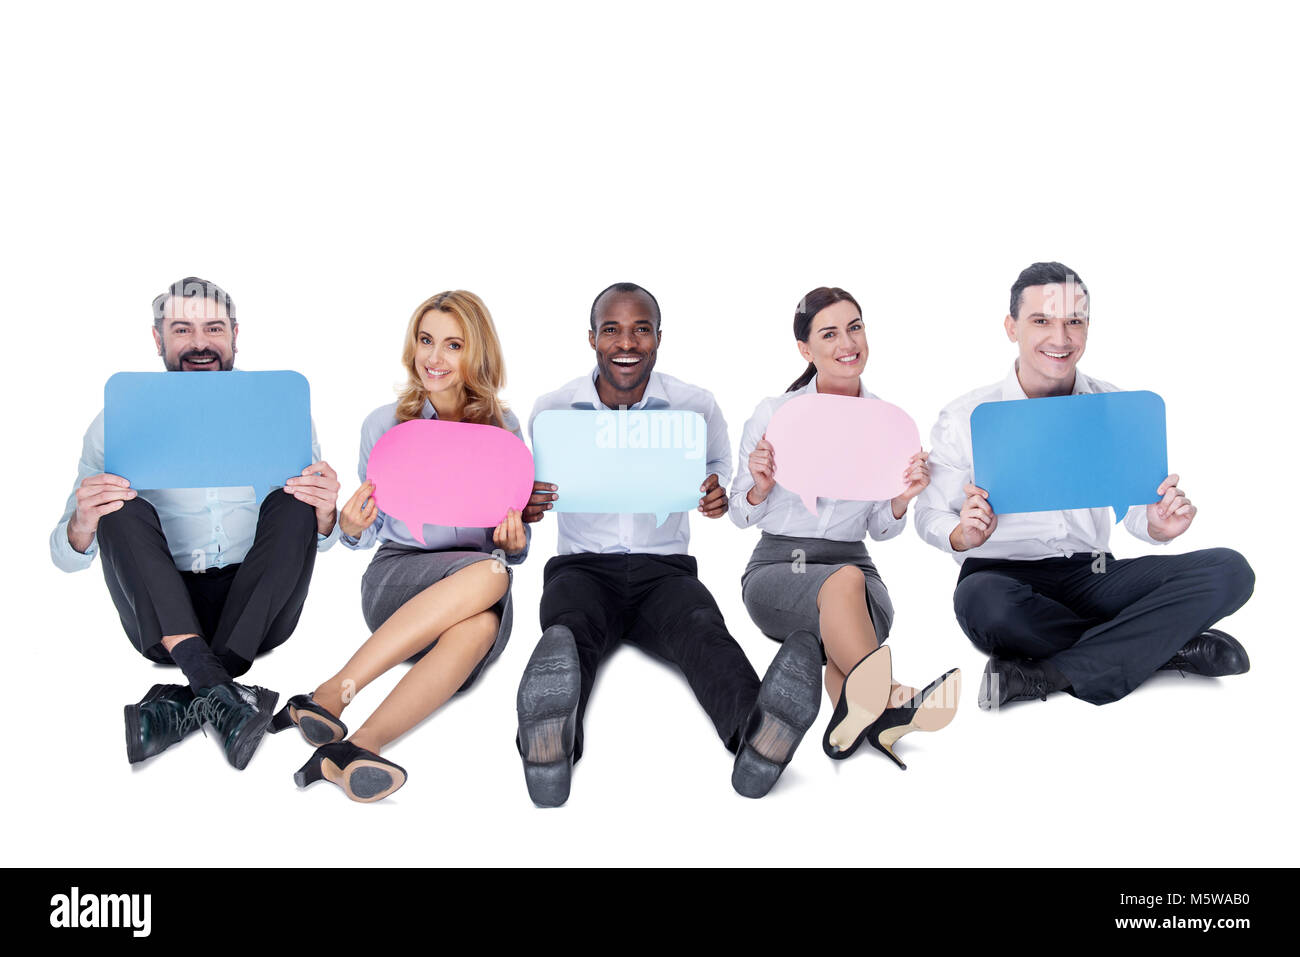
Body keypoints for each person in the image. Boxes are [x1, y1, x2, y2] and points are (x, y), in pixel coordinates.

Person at [514, 281, 823, 808]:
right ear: (592, 338)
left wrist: (715, 498)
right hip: (582, 569)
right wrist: (529, 505)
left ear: (659, 337)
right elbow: (524, 500)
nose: (626, 342)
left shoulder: (695, 406)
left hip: (666, 573)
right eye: (612, 329)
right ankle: (549, 745)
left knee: (704, 633)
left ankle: (756, 737)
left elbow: (720, 479)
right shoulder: (552, 409)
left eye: (641, 329)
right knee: (568, 635)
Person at [914, 262, 1255, 709]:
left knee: (1230, 570)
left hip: (1093, 574)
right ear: (1011, 327)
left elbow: (1134, 511)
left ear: (1087, 328)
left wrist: (1155, 524)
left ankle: (1050, 671)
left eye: (1073, 322)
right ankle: (1162, 648)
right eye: (1041, 321)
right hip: (1003, 578)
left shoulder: (1112, 405)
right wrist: (962, 534)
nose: (1060, 338)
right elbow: (928, 515)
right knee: (985, 604)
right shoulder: (965, 416)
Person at [51, 277, 341, 769]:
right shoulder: (115, 423)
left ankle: (194, 695)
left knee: (293, 502)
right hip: (161, 611)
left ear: (234, 334)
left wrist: (327, 512)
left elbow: (316, 540)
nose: (200, 342)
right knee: (119, 506)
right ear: (158, 339)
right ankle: (218, 687)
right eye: (182, 329)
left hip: (257, 612)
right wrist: (83, 521)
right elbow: (64, 554)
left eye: (213, 328)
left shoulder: (279, 413)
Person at [273, 290, 528, 803]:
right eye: (426, 340)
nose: (434, 358)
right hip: (399, 576)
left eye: (453, 345)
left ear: (477, 354)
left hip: (473, 588)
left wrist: (516, 540)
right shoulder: (384, 425)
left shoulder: (505, 430)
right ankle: (334, 692)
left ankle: (357, 748)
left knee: (485, 608)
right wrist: (348, 524)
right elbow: (363, 534)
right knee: (495, 573)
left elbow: (512, 540)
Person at [730, 286, 960, 769]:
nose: (846, 343)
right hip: (779, 569)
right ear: (805, 349)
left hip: (858, 577)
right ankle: (893, 695)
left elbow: (879, 531)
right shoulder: (775, 414)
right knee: (845, 580)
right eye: (829, 333)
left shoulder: (889, 424)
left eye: (854, 328)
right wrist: (760, 486)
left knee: (849, 604)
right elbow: (738, 513)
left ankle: (864, 719)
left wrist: (901, 499)